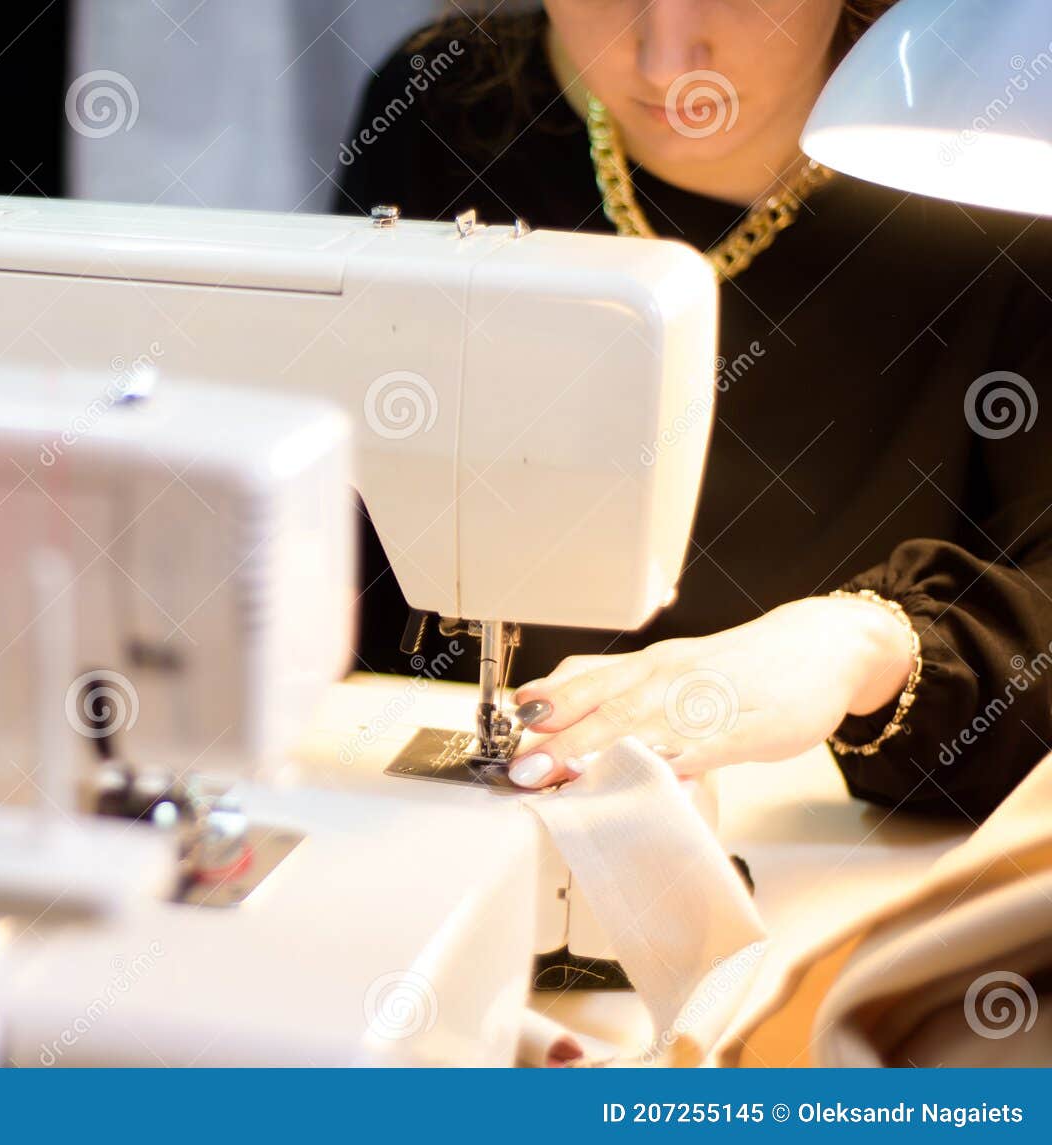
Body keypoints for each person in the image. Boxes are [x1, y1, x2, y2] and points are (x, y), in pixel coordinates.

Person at [339, 0, 1052, 819]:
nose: (667, 61)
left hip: (849, 846)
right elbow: (338, 513)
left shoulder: (1010, 141)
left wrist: (865, 649)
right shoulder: (444, 105)